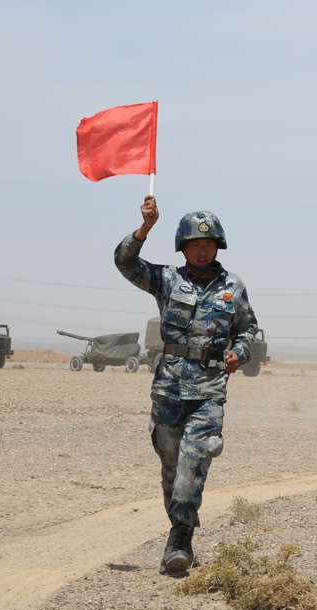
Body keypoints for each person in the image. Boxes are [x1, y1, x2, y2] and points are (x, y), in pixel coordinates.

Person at [114, 195, 258, 576]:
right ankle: (178, 526)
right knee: (172, 467)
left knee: (194, 460)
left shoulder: (233, 286)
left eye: (208, 245)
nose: (202, 250)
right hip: (169, 389)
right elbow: (124, 262)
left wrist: (238, 354)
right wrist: (144, 228)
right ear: (183, 247)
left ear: (218, 247)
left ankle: (179, 539)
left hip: (209, 389)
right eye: (195, 245)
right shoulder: (167, 280)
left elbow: (248, 329)